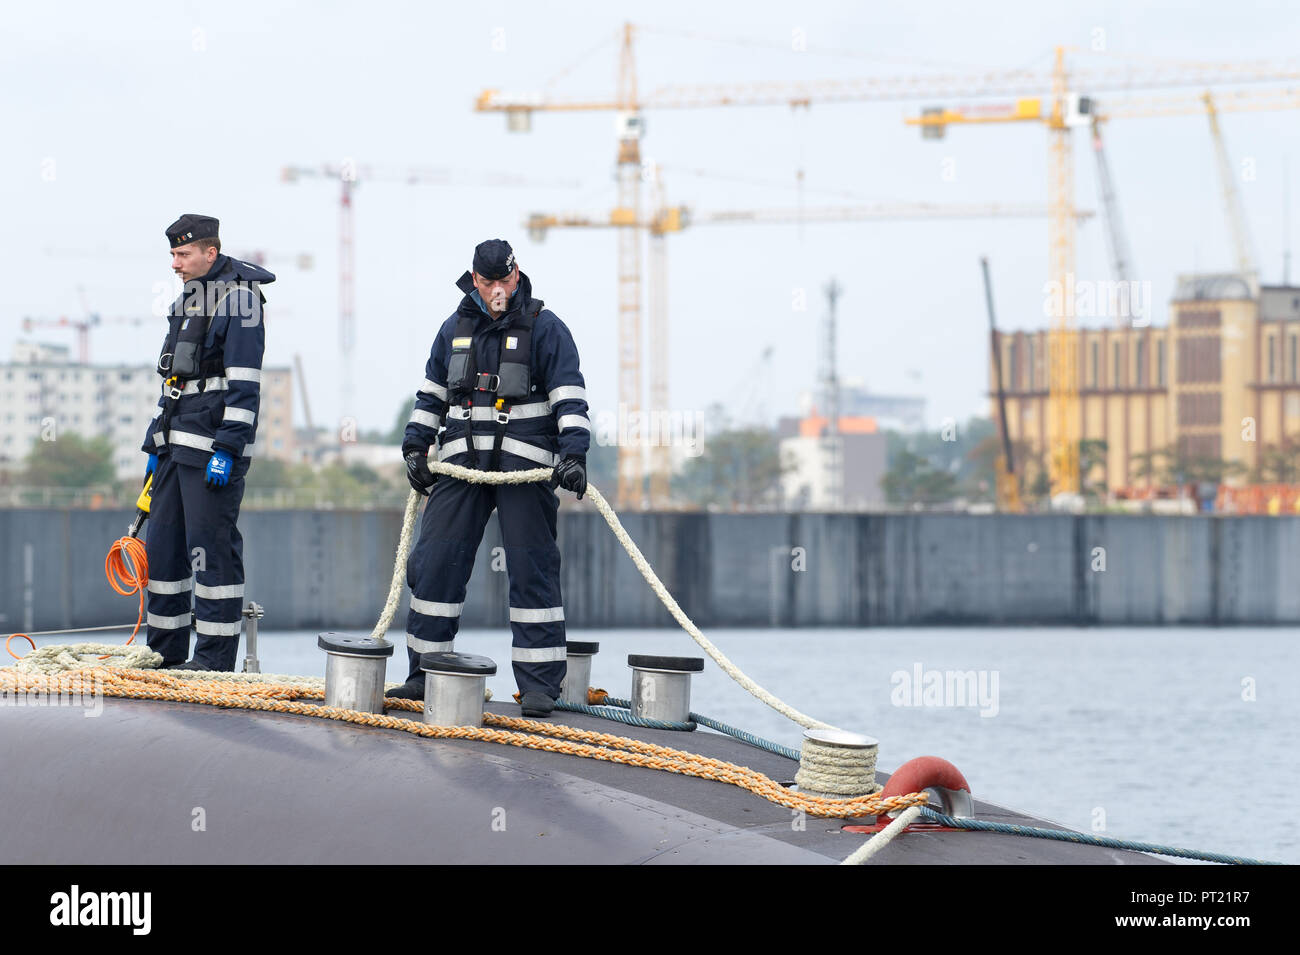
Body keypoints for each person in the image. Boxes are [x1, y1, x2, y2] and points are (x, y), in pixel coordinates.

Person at [392, 239, 590, 716]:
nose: (498, 290)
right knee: (435, 564)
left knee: (533, 574)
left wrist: (575, 455)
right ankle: (425, 673)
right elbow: (431, 394)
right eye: (488, 282)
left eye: (505, 281)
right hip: (461, 468)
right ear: (474, 280)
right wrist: (415, 446)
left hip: (525, 471)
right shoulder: (452, 329)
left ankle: (540, 686)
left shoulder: (546, 328)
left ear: (516, 275)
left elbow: (569, 396)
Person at [140, 214, 275, 670]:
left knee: (210, 552)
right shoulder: (190, 300)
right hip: (175, 447)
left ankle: (213, 662)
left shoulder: (241, 302)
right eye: (173, 255)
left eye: (183, 254)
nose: (175, 264)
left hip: (211, 451)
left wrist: (228, 449)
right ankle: (163, 653)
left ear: (209, 253)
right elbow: (173, 383)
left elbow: (244, 387)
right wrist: (154, 446)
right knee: (162, 551)